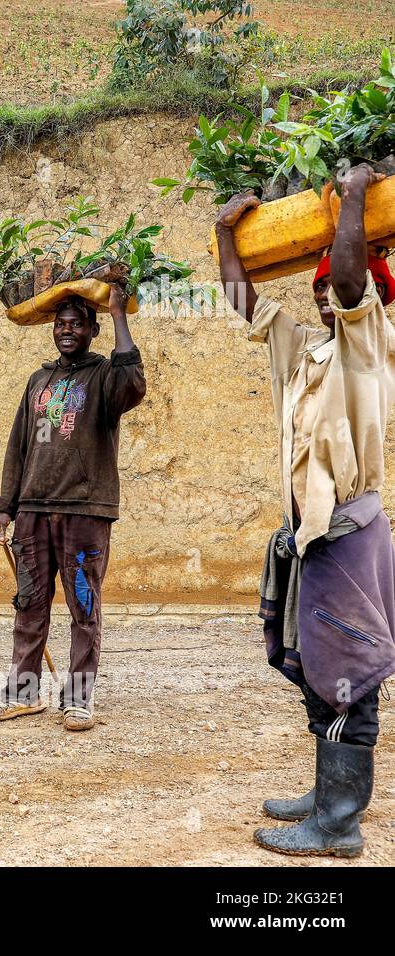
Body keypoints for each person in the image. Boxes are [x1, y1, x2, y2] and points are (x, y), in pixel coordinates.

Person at [216, 163, 395, 857]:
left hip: (349, 539)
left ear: (376, 298)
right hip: (312, 541)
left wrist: (352, 193)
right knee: (322, 670)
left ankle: (341, 824)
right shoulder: (308, 354)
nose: (328, 296)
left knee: (350, 675)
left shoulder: (371, 346)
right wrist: (226, 232)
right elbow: (244, 303)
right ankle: (328, 795)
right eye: (318, 288)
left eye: (339, 289)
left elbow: (356, 283)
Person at [0, 283, 146, 731]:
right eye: (60, 324)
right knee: (29, 603)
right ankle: (23, 693)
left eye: (77, 324)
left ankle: (77, 699)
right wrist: (6, 505)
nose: (67, 330)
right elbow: (18, 445)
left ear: (93, 330)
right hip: (34, 511)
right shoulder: (39, 381)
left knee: (83, 605)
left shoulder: (104, 377)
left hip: (85, 509)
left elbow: (133, 384)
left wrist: (119, 315)